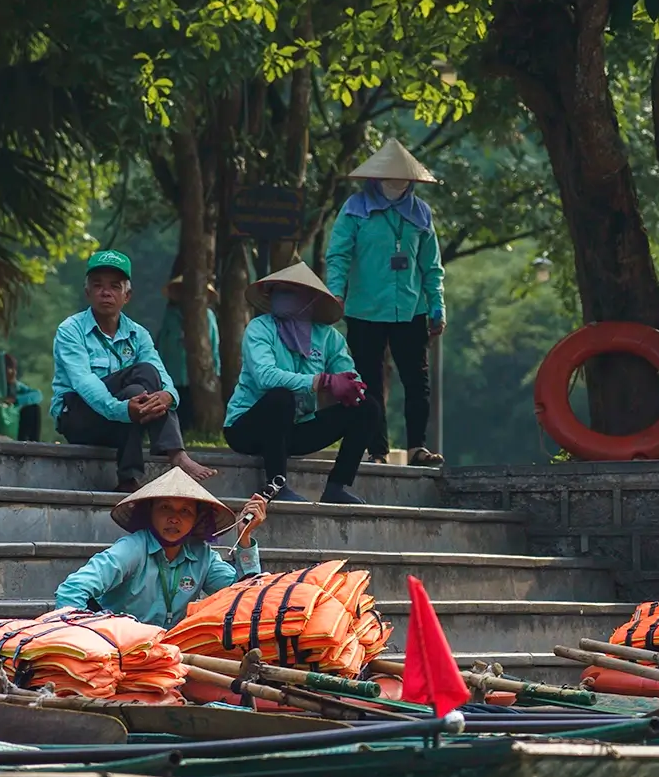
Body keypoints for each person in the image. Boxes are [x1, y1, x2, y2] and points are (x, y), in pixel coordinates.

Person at [51, 249, 217, 492]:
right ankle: (176, 452)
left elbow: (161, 375)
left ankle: (129, 480)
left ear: (127, 295)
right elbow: (84, 382)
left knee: (140, 387)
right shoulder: (70, 330)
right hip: (78, 417)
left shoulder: (138, 334)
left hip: (120, 420)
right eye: (97, 286)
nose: (105, 292)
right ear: (88, 293)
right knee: (140, 379)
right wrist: (122, 409)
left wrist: (169, 396)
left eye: (114, 286)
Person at [325, 139, 446, 466]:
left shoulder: (421, 213)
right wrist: (335, 292)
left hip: (410, 309)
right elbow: (338, 255)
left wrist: (437, 305)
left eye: (403, 179)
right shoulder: (354, 209)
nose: (397, 184)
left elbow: (431, 266)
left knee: (416, 381)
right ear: (376, 178)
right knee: (368, 383)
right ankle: (376, 450)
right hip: (365, 309)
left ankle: (417, 448)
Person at [223, 263, 379, 505]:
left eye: (289, 291)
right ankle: (277, 484)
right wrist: (322, 381)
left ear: (309, 299)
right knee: (281, 397)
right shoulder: (260, 328)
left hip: (295, 431)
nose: (280, 297)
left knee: (367, 406)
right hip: (247, 428)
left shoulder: (329, 338)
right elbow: (265, 376)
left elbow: (349, 376)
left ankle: (337, 487)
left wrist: (348, 388)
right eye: (277, 291)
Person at [54, 467, 267, 628]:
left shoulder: (202, 555)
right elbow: (72, 590)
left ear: (196, 520)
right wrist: (80, 635)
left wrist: (244, 537)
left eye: (185, 511)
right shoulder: (133, 549)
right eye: (165, 508)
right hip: (118, 648)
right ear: (150, 512)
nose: (174, 518)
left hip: (169, 656)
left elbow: (243, 597)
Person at [156, 273, 220, 431]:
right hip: (173, 371)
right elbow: (163, 343)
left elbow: (214, 343)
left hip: (197, 374)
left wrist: (216, 370)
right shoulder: (170, 316)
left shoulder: (207, 316)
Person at [0, 348, 43, 442]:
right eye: (10, 368)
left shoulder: (15, 387)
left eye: (15, 368)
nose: (14, 372)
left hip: (15, 430)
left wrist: (16, 400)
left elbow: (37, 395)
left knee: (33, 409)